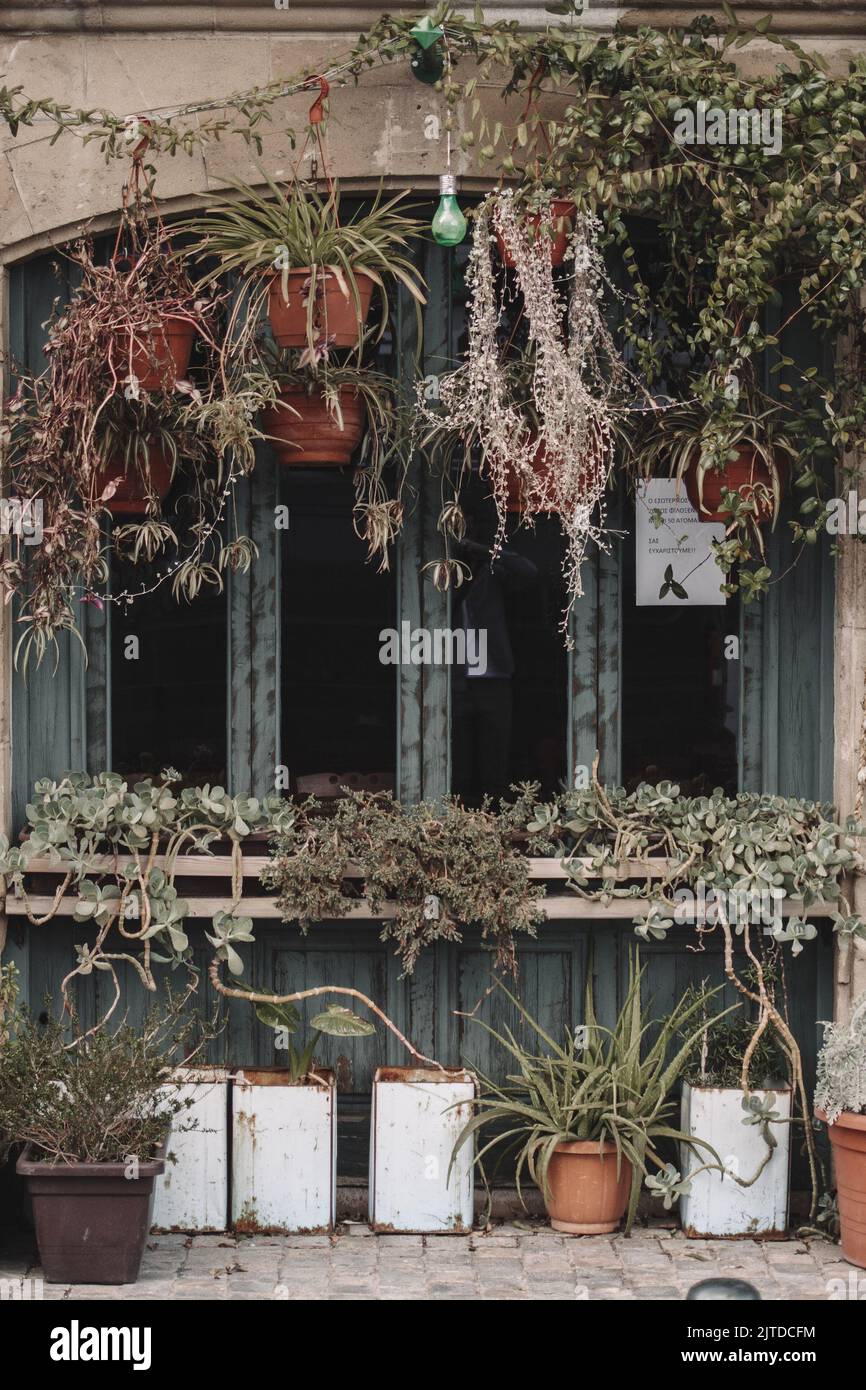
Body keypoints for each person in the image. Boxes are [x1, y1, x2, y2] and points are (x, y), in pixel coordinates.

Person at [451, 501, 538, 807]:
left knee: (495, 767)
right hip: (451, 676)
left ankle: (497, 829)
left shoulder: (491, 570)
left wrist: (486, 551)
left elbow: (528, 573)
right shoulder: (441, 570)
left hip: (493, 677)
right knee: (455, 768)